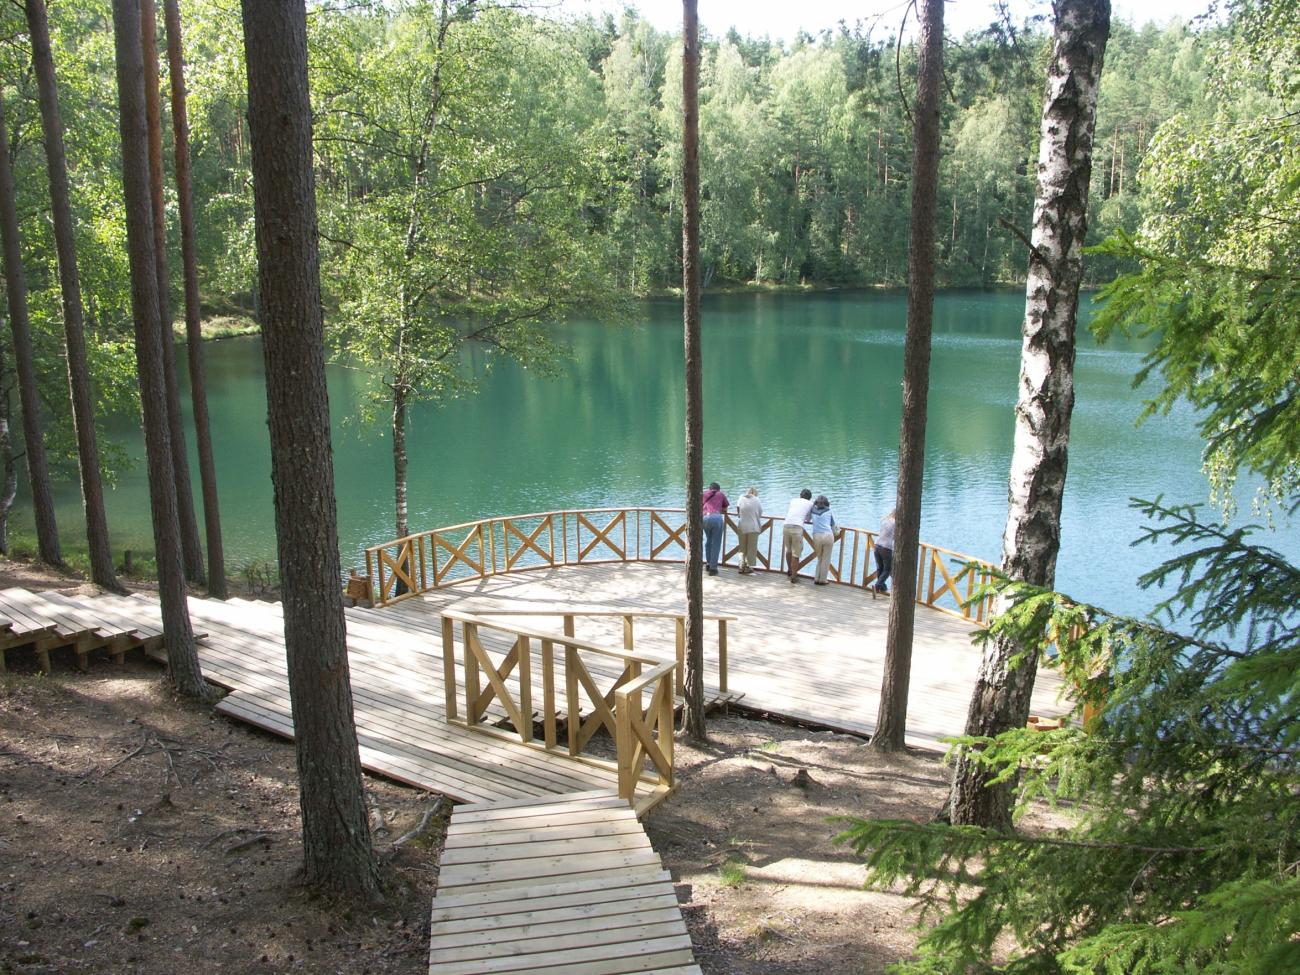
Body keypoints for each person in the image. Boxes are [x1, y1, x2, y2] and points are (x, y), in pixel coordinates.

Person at [782, 488, 814, 583]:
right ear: (809, 498)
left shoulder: (793, 500)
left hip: (786, 525)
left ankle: (789, 570)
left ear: (800, 495)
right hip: (797, 527)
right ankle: (794, 576)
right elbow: (808, 519)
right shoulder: (810, 504)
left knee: (789, 550)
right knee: (796, 553)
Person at [808, 495, 838, 585]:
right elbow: (833, 525)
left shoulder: (813, 510)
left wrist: (814, 504)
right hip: (828, 535)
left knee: (820, 558)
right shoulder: (829, 511)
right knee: (826, 558)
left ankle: (817, 578)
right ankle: (823, 579)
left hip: (817, 536)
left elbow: (808, 518)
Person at [701, 481, 728, 575]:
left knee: (708, 541)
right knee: (716, 543)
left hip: (704, 518)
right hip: (716, 518)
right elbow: (725, 508)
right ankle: (713, 568)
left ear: (709, 488)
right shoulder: (721, 494)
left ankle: (708, 564)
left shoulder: (704, 494)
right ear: (718, 489)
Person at [736, 488, 763, 575]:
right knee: (751, 548)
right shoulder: (757, 500)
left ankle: (741, 566)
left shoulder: (741, 498)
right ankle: (748, 567)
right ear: (755, 493)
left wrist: (740, 515)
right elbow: (760, 512)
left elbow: (738, 508)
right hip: (753, 527)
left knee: (742, 547)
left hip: (742, 525)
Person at [874, 507, 896, 594]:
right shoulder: (895, 523)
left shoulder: (885, 520)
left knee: (880, 568)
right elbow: (895, 536)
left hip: (877, 545)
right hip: (886, 547)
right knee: (887, 569)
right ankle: (877, 586)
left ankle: (882, 587)